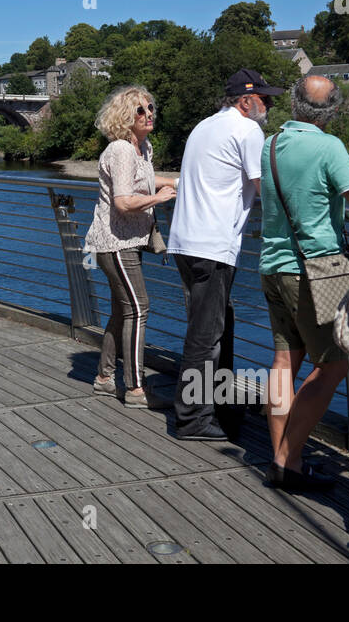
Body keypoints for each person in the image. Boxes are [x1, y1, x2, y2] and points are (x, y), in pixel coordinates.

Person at [167, 68, 283, 441]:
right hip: (212, 244)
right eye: (265, 99)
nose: (269, 105)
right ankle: (193, 419)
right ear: (245, 100)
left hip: (187, 240)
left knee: (218, 322)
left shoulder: (204, 126)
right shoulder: (248, 130)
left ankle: (217, 404)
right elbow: (264, 186)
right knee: (207, 332)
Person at [258, 75, 349, 490]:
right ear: (332, 111)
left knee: (284, 364)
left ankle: (284, 457)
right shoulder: (329, 146)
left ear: (295, 106)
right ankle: (287, 462)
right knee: (333, 366)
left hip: (272, 266)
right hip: (316, 271)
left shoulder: (270, 146)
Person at [83, 86, 178, 407]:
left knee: (122, 312)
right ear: (126, 117)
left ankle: (104, 378)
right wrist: (159, 198)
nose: (149, 114)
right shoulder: (122, 150)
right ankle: (136, 388)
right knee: (139, 308)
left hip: (128, 241)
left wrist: (177, 181)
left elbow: (145, 181)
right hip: (115, 242)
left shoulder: (143, 148)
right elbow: (123, 201)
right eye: (141, 110)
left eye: (151, 108)